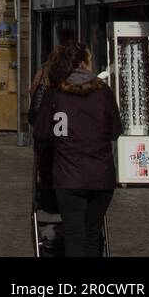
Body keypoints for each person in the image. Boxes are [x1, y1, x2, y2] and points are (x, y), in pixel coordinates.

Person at [32, 39, 122, 258]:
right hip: (101, 176)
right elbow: (115, 130)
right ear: (85, 63)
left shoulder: (55, 94)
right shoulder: (103, 92)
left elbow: (41, 133)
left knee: (74, 235)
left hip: (69, 176)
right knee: (92, 235)